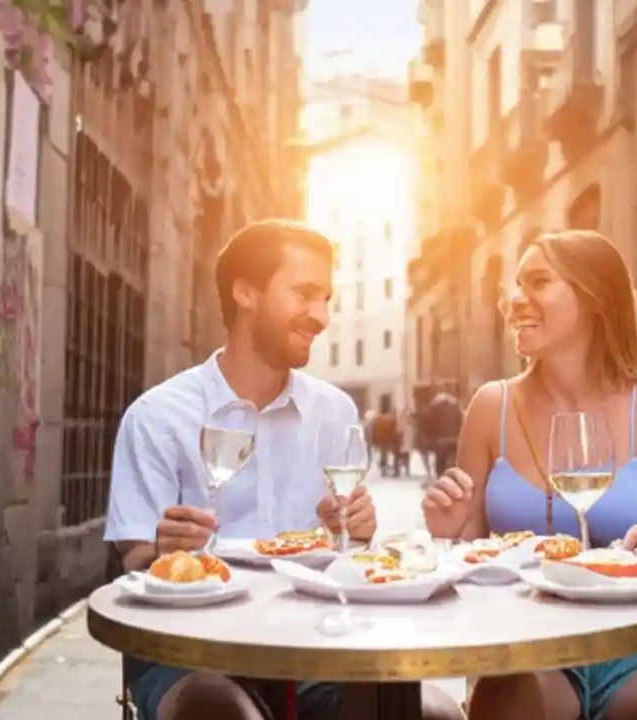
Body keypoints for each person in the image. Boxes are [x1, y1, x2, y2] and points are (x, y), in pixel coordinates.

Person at [104, 220, 462, 720]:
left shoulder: (334, 412)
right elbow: (135, 564)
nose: (321, 315)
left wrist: (357, 534)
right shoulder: (159, 416)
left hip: (314, 642)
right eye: (304, 294)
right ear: (245, 293)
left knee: (431, 714)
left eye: (326, 298)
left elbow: (348, 553)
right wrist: (165, 554)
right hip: (190, 649)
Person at [421, 230, 637, 720]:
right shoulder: (492, 405)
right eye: (515, 285)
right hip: (526, 645)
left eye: (538, 282)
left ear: (595, 297)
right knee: (510, 708)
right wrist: (448, 535)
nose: (515, 300)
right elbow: (469, 557)